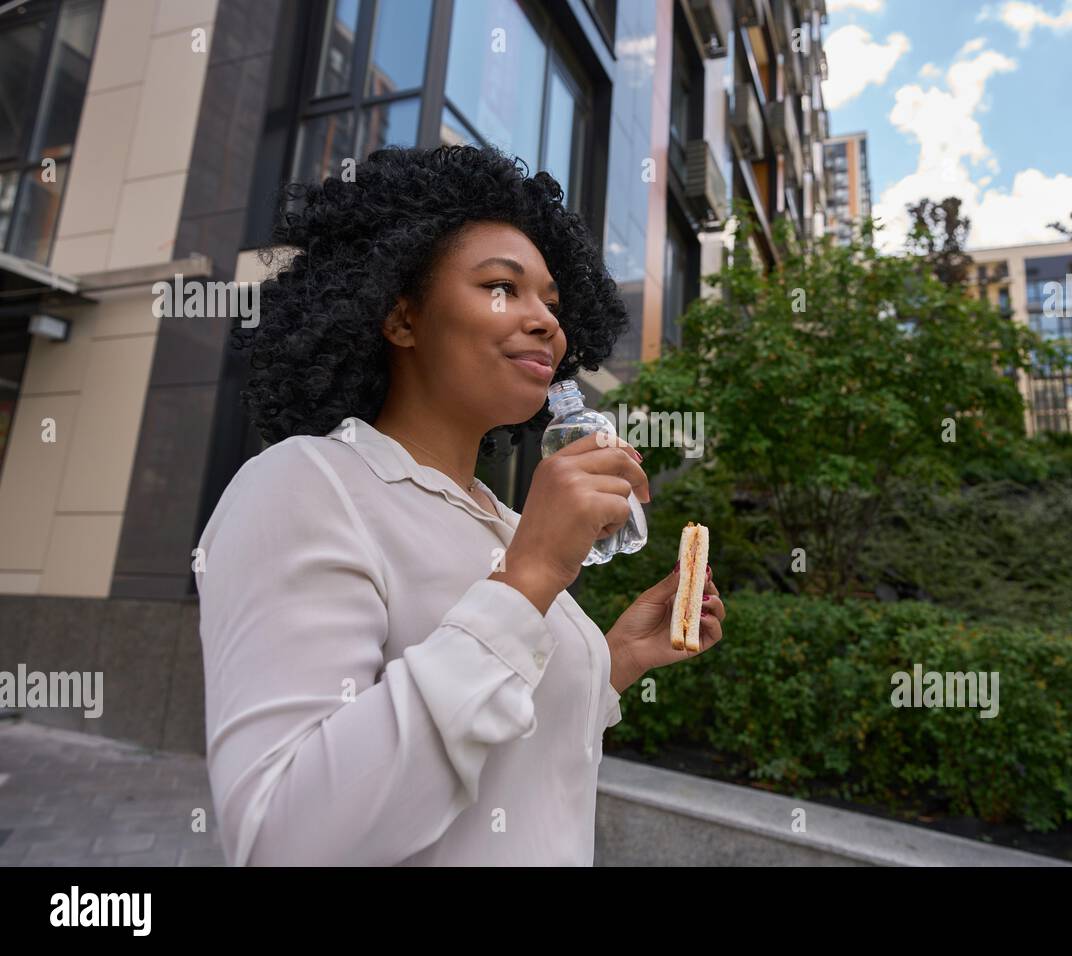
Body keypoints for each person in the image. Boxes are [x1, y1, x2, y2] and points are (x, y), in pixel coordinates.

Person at [196, 144, 725, 866]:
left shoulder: (501, 522)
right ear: (402, 318)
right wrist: (532, 573)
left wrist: (616, 658)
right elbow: (281, 839)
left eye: (552, 301)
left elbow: (520, 760)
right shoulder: (302, 486)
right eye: (503, 287)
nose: (545, 321)